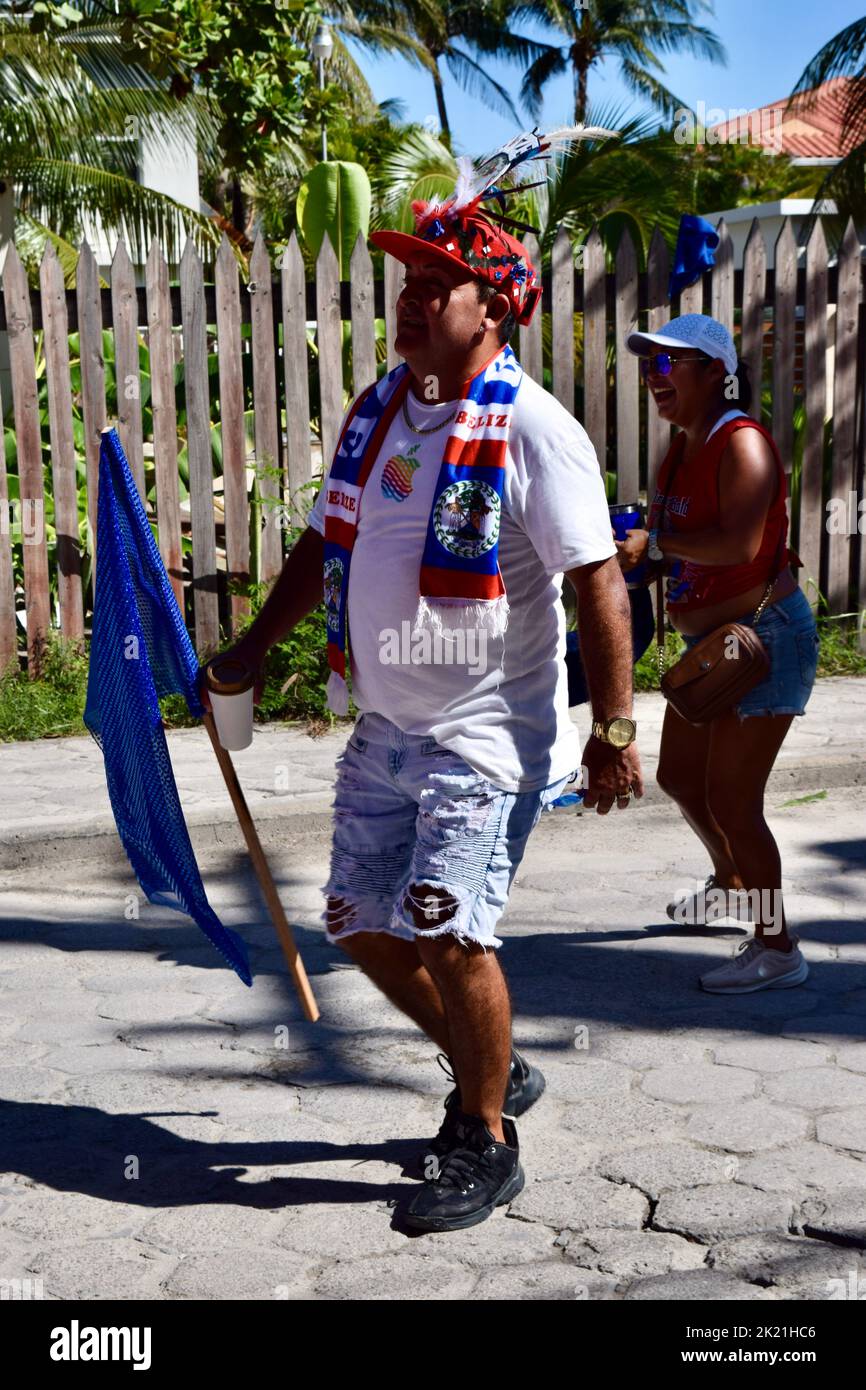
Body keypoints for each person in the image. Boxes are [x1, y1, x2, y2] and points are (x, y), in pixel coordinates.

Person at [202, 137, 642, 1232]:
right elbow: (325, 545)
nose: (407, 303)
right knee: (355, 919)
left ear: (490, 309)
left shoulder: (534, 429)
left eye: (433, 287)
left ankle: (482, 1138)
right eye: (403, 285)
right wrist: (254, 644)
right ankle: (482, 1057)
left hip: (487, 733)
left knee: (448, 928)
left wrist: (616, 724)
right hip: (387, 726)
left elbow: (597, 583)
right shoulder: (381, 412)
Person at [618, 314, 819, 994]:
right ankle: (732, 880)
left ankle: (778, 948)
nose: (655, 375)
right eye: (649, 363)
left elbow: (737, 544)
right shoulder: (677, 449)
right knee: (679, 778)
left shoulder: (744, 445)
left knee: (735, 802)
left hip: (765, 642)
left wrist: (660, 549)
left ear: (713, 372)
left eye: (670, 363)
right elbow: (665, 537)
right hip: (714, 647)